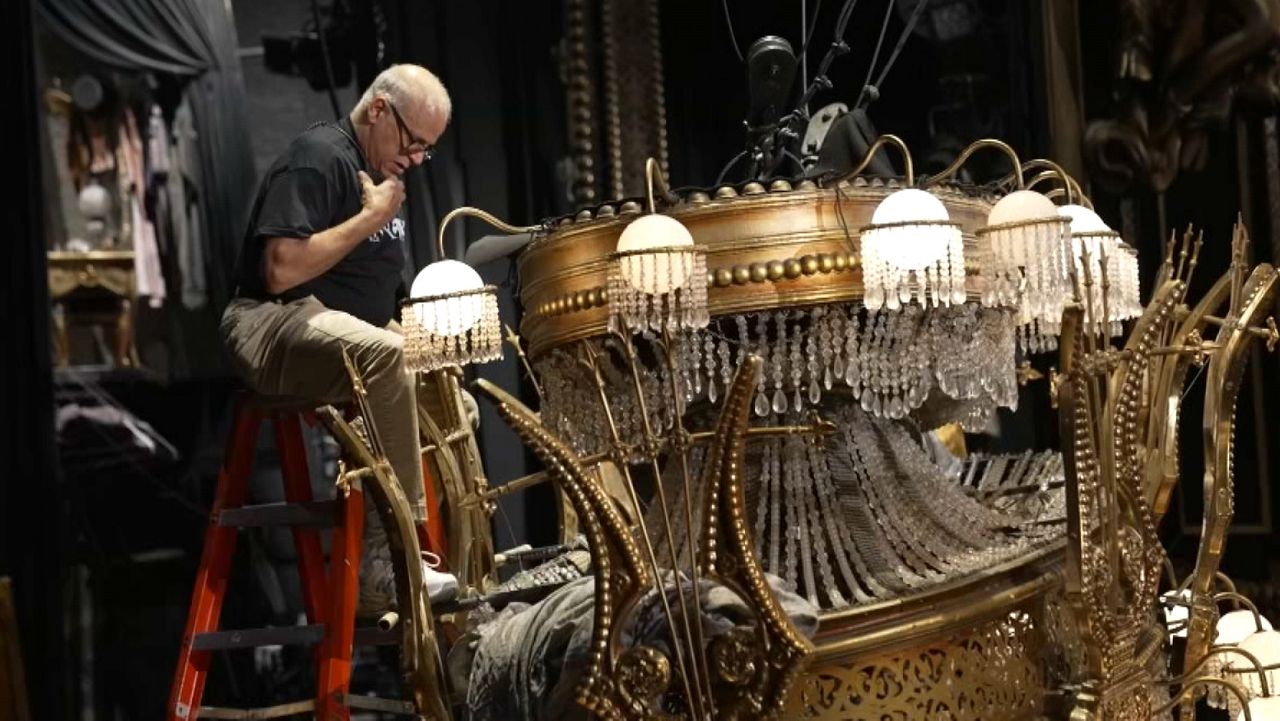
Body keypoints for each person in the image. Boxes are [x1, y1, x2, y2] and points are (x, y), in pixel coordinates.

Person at [221, 64, 457, 612]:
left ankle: (459, 548)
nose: (417, 158)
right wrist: (369, 219)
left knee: (451, 395)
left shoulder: (384, 180)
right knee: (390, 357)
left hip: (341, 327)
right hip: (267, 321)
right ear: (377, 109)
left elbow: (378, 296)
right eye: (412, 141)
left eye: (427, 149)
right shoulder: (321, 156)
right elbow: (279, 269)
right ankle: (388, 560)